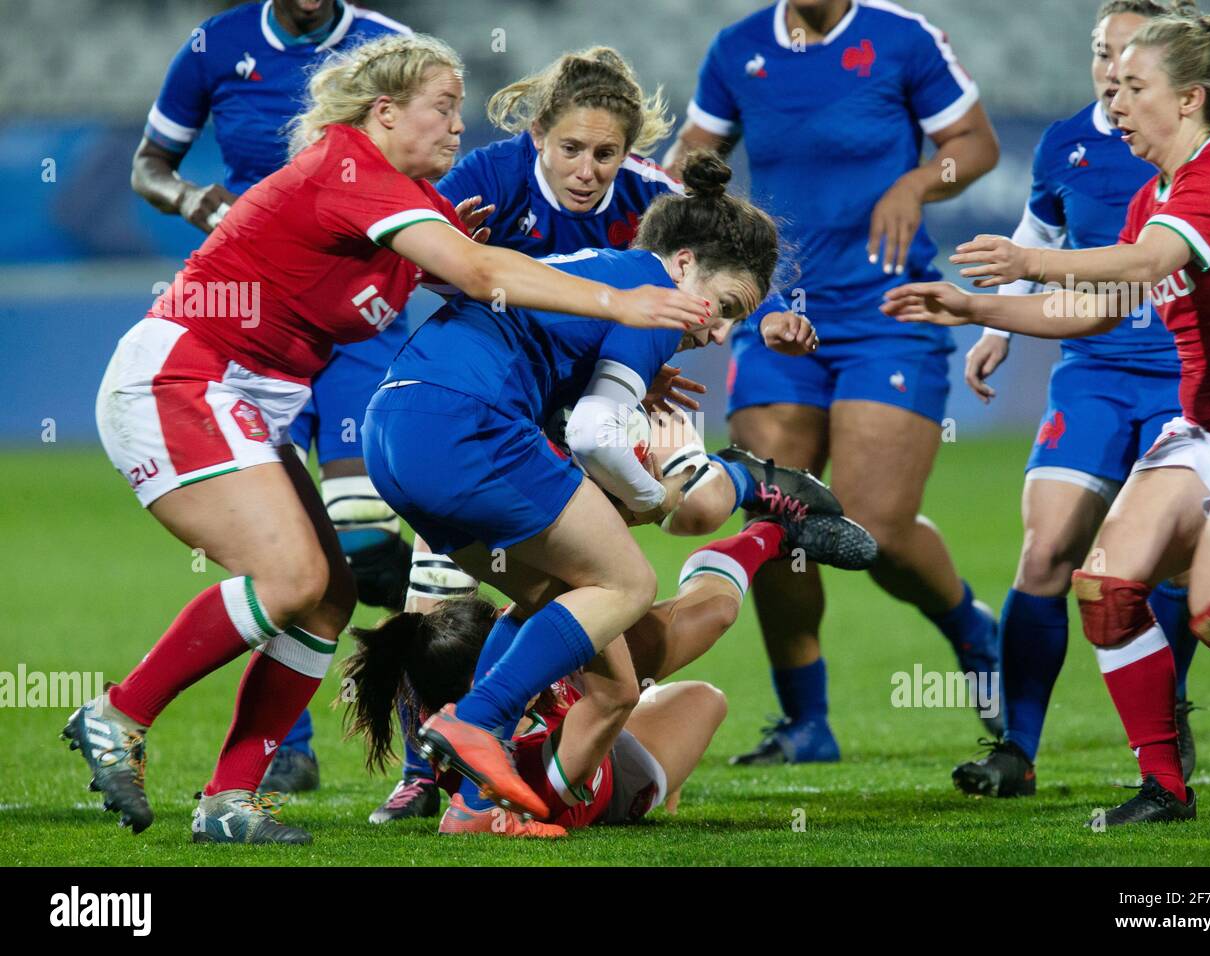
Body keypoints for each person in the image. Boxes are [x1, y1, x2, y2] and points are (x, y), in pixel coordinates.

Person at [62, 33, 710, 845]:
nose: (454, 126)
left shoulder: (414, 200)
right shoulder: (350, 167)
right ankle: (119, 714)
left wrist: (620, 362)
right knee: (294, 577)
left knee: (329, 598)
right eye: (441, 108)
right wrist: (623, 306)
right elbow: (482, 276)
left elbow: (484, 280)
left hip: (252, 396)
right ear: (384, 112)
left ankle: (228, 800)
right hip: (186, 374)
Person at [368, 47, 826, 824]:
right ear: (683, 265)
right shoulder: (653, 294)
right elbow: (592, 430)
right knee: (631, 585)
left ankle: (476, 801)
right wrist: (653, 499)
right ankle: (475, 721)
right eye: (723, 306)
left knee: (589, 645)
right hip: (468, 425)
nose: (715, 332)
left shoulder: (621, 260)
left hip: (397, 425)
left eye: (736, 322)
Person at [883, 8, 1210, 825]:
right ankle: (1165, 789)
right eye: (1112, 79)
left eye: (1135, 86)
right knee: (1106, 589)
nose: (1116, 100)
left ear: (1188, 98)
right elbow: (1106, 305)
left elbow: (1146, 261)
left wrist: (1028, 259)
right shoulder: (1158, 189)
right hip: (1205, 426)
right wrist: (978, 307)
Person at [662, 0, 1003, 764]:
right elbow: (689, 161)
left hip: (888, 311)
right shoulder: (738, 48)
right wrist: (713, 225)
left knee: (874, 528)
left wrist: (920, 182)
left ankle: (971, 629)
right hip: (780, 313)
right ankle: (806, 722)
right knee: (776, 512)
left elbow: (973, 146)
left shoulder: (901, 38)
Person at [130, 0, 413, 793]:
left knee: (365, 551)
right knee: (277, 551)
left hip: (357, 321)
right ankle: (282, 744)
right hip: (251, 325)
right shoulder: (213, 44)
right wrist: (192, 201)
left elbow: (427, 165)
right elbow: (148, 164)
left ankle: (420, 739)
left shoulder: (391, 45)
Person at [343, 510, 877, 836]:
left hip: (563, 700)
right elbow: (614, 697)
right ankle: (756, 514)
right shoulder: (538, 778)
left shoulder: (433, 689)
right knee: (705, 695)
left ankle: (772, 530)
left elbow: (514, 602)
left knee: (708, 614)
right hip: (608, 754)